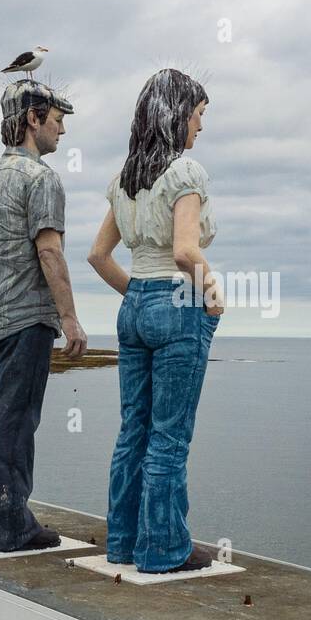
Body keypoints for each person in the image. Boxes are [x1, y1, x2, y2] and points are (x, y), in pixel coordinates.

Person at [88, 69, 223, 573]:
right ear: (176, 116)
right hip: (178, 300)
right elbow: (186, 251)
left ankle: (122, 543)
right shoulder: (187, 174)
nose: (200, 127)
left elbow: (99, 256)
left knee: (133, 432)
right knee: (170, 436)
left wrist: (140, 299)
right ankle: (164, 549)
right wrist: (213, 298)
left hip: (136, 307)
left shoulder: (124, 181)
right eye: (198, 115)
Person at [0, 79, 88, 552]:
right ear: (33, 119)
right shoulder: (41, 179)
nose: (62, 131)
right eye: (57, 120)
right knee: (14, 422)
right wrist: (69, 318)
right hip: (26, 317)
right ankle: (8, 524)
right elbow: (49, 252)